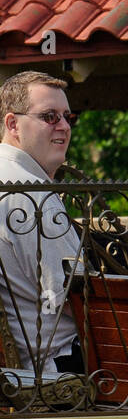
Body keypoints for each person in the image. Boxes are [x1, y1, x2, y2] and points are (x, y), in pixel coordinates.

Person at [0, 71, 82, 374]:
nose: (63, 126)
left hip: (22, 366)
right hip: (61, 368)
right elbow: (71, 296)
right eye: (49, 116)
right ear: (13, 124)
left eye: (67, 116)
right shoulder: (31, 194)